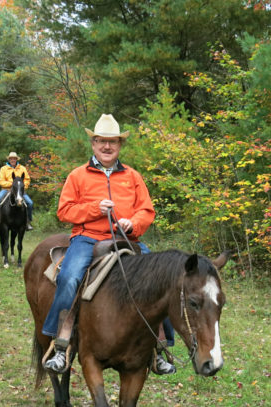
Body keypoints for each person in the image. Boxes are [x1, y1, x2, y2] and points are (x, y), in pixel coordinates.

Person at [42, 114, 176, 375]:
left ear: (119, 145)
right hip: (87, 238)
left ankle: (160, 348)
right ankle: (60, 345)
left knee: (164, 280)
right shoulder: (78, 175)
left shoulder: (133, 177)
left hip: (126, 239)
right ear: (93, 143)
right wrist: (94, 209)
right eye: (101, 141)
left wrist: (132, 224)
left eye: (112, 142)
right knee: (69, 277)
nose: (107, 146)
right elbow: (64, 211)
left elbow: (146, 210)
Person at [0, 152, 34, 230]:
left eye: (14, 158)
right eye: (11, 158)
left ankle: (28, 222)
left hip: (19, 190)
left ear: (16, 159)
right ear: (9, 159)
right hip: (6, 190)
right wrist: (11, 184)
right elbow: (0, 181)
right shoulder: (3, 168)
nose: (13, 160)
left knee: (30, 203)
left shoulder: (22, 168)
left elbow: (27, 180)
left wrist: (21, 186)